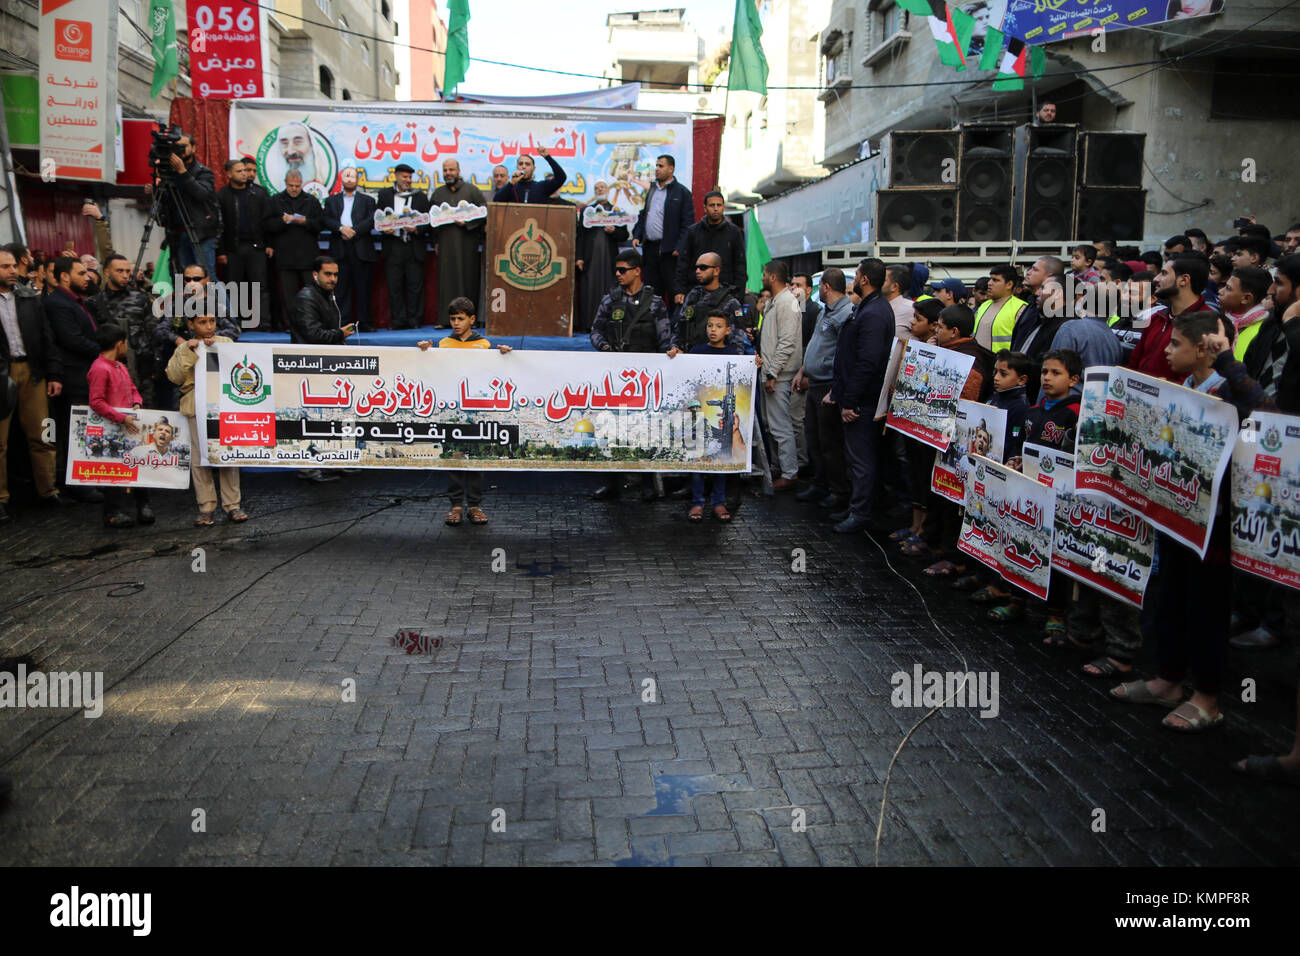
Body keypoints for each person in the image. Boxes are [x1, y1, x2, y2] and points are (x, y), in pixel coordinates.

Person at [1111, 312, 1269, 730]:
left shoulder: (1229, 388)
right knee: (1170, 600)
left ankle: (1208, 698)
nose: (1166, 350)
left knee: (1206, 609)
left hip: (1213, 523)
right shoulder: (1182, 388)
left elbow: (1264, 412)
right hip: (1175, 511)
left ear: (1201, 348)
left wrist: (1228, 361)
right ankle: (1168, 679)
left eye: (1175, 343)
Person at [988, 349, 1082, 634]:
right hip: (1027, 494)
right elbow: (1022, 445)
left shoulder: (1077, 414)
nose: (1048, 378)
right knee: (1021, 542)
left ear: (1074, 379)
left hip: (1057, 497)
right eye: (1045, 372)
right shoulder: (1033, 411)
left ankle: (1055, 613)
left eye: (1056, 373)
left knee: (1052, 554)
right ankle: (1017, 599)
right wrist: (1016, 458)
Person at [416, 297, 512, 526]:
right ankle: (456, 506)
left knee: (476, 458)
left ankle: (475, 505)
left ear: (472, 319)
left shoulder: (485, 345)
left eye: (460, 318)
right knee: (455, 457)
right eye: (452, 319)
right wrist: (424, 352)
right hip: (453, 408)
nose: (456, 323)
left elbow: (494, 373)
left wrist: (505, 356)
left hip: (477, 408)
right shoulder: (444, 345)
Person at [589, 251, 671, 502]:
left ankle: (647, 482)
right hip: (615, 377)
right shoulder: (609, 301)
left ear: (637, 271)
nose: (617, 274)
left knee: (644, 429)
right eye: (616, 269)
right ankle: (613, 482)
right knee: (611, 430)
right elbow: (595, 331)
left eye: (623, 270)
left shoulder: (654, 302)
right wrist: (604, 348)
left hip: (644, 379)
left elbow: (665, 339)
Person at [0, 248, 69, 520]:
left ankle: (48, 490)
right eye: (5, 266)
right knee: (0, 443)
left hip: (33, 371)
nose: (12, 270)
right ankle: (1, 498)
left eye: (12, 265)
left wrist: (53, 373)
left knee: (42, 434)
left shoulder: (28, 298)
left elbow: (46, 336)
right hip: (1, 375)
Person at [829, 259, 894, 533]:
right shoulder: (867, 308)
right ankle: (856, 505)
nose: (853, 279)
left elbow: (867, 362)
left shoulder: (875, 313)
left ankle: (861, 512)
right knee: (854, 456)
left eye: (855, 274)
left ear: (864, 279)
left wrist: (851, 400)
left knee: (861, 458)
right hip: (857, 396)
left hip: (863, 402)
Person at [166, 312, 246, 525]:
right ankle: (206, 507)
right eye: (203, 322)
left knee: (227, 454)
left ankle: (233, 505)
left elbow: (239, 368)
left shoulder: (225, 342)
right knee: (200, 458)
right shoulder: (184, 348)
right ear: (191, 324)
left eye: (212, 321)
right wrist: (190, 352)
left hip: (222, 404)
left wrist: (216, 349)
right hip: (195, 405)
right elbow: (174, 377)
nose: (209, 326)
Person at [43, 257, 104, 503]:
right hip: (72, 377)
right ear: (65, 277)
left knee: (84, 430)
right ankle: (77, 484)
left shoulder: (77, 302)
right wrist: (104, 351)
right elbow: (71, 339)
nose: (87, 277)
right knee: (73, 432)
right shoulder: (58, 303)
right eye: (81, 273)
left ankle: (86, 479)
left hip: (84, 375)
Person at [793, 266, 853, 511]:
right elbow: (815, 343)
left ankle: (838, 491)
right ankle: (819, 483)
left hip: (828, 385)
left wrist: (835, 388)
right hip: (814, 382)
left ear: (826, 287)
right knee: (814, 438)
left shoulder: (847, 314)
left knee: (830, 443)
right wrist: (802, 369)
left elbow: (844, 355)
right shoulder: (825, 312)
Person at [88, 325, 152, 528]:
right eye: (125, 342)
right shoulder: (100, 368)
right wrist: (120, 417)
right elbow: (96, 401)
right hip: (112, 427)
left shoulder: (119, 366)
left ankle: (143, 505)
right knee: (112, 469)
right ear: (119, 344)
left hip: (127, 425)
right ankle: (113, 512)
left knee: (137, 464)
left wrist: (136, 403)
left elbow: (133, 389)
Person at [685, 309, 745, 522]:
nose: (713, 330)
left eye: (719, 326)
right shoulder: (696, 351)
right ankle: (697, 502)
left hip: (722, 418)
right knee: (698, 459)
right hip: (699, 415)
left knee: (722, 456)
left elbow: (744, 378)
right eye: (710, 325)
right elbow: (682, 374)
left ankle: (719, 501)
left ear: (728, 330)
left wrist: (754, 365)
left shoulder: (734, 356)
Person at [1127, 254, 1213, 383]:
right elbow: (1133, 364)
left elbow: (1196, 378)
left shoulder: (1208, 323)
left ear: (1184, 280)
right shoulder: (1156, 318)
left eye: (1164, 273)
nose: (1156, 279)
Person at [216, 156, 275, 332]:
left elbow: (268, 221)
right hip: (233, 248)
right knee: (234, 287)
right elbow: (218, 225)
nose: (244, 174)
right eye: (239, 171)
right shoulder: (222, 195)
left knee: (261, 287)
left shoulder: (259, 193)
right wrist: (220, 251)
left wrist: (269, 244)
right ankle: (236, 323)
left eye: (245, 171)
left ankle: (264, 323)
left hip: (256, 247)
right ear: (228, 174)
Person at [758, 260, 802, 492]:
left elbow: (787, 341)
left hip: (779, 375)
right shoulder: (774, 303)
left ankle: (789, 472)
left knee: (780, 426)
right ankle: (778, 466)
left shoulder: (786, 302)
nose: (762, 277)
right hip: (771, 373)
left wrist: (773, 371)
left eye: (764, 274)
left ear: (773, 277)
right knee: (770, 424)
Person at [89, 253, 155, 404]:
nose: (125, 276)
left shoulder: (140, 298)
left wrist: (153, 365)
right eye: (119, 271)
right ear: (106, 272)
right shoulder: (94, 302)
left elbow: (153, 331)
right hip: (109, 370)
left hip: (141, 367)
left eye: (127, 271)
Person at [430, 158, 486, 327]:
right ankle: (444, 320)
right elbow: (431, 219)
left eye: (451, 170)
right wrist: (436, 242)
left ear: (459, 170)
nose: (448, 173)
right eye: (445, 170)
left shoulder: (472, 191)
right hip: (445, 244)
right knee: (445, 282)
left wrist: (468, 223)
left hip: (467, 244)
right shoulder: (438, 194)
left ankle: (469, 321)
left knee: (468, 280)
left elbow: (483, 212)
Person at [322, 166, 378, 333]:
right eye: (346, 176)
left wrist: (354, 231)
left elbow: (371, 220)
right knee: (340, 289)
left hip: (360, 248)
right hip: (339, 248)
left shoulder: (368, 200)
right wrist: (341, 228)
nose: (349, 179)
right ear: (342, 179)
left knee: (363, 289)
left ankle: (364, 323)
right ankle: (342, 323)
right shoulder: (331, 200)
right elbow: (326, 219)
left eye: (352, 176)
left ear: (357, 180)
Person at [377, 163, 433, 329]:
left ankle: (414, 321)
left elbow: (429, 223)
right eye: (404, 177)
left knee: (415, 286)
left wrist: (416, 228)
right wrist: (384, 229)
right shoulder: (385, 195)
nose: (408, 180)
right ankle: (397, 321)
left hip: (413, 246)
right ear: (396, 176)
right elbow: (378, 219)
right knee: (394, 286)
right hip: (393, 246)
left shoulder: (420, 197)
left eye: (410, 177)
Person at [158, 130, 220, 279]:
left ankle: (221, 304)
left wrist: (182, 172)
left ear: (193, 148)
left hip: (200, 232)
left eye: (183, 146)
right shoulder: (169, 173)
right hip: (178, 233)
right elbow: (167, 203)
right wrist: (156, 189)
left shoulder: (204, 172)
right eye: (176, 147)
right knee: (183, 278)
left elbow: (202, 194)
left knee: (206, 277)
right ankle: (189, 303)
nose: (180, 150)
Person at [631, 154, 692, 307]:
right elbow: (644, 214)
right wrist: (637, 234)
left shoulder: (682, 192)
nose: (657, 169)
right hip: (650, 249)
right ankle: (652, 328)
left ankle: (673, 328)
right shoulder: (652, 190)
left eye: (661, 166)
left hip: (670, 253)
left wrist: (680, 247)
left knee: (673, 293)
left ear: (671, 169)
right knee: (651, 293)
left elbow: (687, 224)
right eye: (656, 166)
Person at [576, 181, 630, 333]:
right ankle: (588, 325)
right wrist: (579, 257)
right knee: (589, 290)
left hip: (609, 259)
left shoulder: (616, 211)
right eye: (597, 188)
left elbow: (624, 234)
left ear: (608, 190)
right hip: (590, 258)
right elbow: (580, 236)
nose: (600, 189)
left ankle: (607, 325)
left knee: (608, 289)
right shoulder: (588, 211)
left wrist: (614, 231)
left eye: (603, 187)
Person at [674, 190, 745, 298]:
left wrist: (738, 295)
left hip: (726, 292)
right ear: (705, 208)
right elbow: (683, 263)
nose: (716, 208)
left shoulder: (734, 233)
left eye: (719, 205)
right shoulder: (693, 232)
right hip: (696, 291)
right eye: (712, 205)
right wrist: (680, 291)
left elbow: (740, 266)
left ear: (723, 207)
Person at [669, 252, 744, 353]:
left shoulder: (731, 302)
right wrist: (674, 348)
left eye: (703, 268)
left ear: (716, 270)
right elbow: (679, 328)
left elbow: (737, 343)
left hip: (716, 361)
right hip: (688, 359)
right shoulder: (692, 296)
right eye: (697, 268)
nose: (698, 271)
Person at [972, 265, 1027, 353]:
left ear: (1009, 284)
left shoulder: (1021, 308)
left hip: (1003, 364)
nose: (989, 283)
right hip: (979, 362)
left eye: (995, 280)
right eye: (990, 279)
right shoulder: (984, 305)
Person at [493, 146, 565, 204]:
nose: (523, 167)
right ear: (517, 167)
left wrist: (547, 157)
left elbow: (561, 177)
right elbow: (496, 201)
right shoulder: (511, 188)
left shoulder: (542, 186)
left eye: (527, 164)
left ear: (534, 168)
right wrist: (511, 183)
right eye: (521, 164)